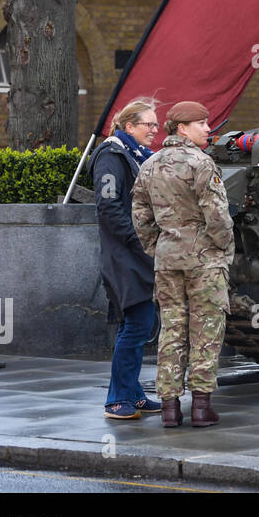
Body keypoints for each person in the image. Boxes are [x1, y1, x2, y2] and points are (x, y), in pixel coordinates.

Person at [131, 101, 233, 428]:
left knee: (172, 328)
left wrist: (158, 246)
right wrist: (222, 247)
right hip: (203, 258)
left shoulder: (150, 165)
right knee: (206, 328)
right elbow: (217, 216)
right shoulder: (201, 164)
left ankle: (170, 408)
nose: (207, 129)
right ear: (182, 128)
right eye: (201, 124)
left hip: (167, 257)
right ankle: (201, 407)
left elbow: (140, 216)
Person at [94, 99, 160, 420]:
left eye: (156, 124)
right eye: (148, 124)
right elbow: (108, 209)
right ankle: (117, 398)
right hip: (125, 255)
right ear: (129, 126)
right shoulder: (112, 155)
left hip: (134, 253)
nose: (154, 130)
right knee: (136, 324)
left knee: (138, 323)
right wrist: (140, 241)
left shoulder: (136, 155)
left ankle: (132, 393)